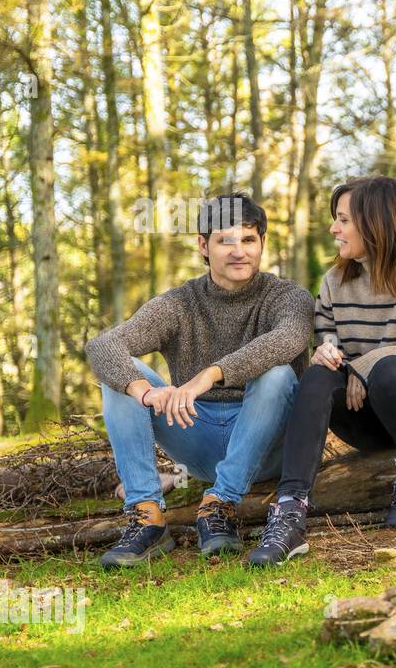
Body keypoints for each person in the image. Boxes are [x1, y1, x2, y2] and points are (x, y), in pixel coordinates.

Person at [86, 192, 314, 568]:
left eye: (248, 239)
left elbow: (287, 340)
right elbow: (103, 345)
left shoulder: (287, 297)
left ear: (262, 244)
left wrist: (209, 375)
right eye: (225, 240)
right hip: (197, 437)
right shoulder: (179, 303)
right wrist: (141, 391)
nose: (238, 251)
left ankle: (219, 504)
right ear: (203, 246)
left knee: (276, 373)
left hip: (268, 444)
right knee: (121, 375)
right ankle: (147, 516)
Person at [247, 176, 396, 566]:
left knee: (390, 372)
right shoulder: (335, 282)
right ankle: (291, 509)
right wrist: (330, 357)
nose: (334, 229)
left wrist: (370, 362)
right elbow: (331, 349)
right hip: (365, 419)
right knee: (316, 375)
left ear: (377, 221)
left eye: (344, 220)